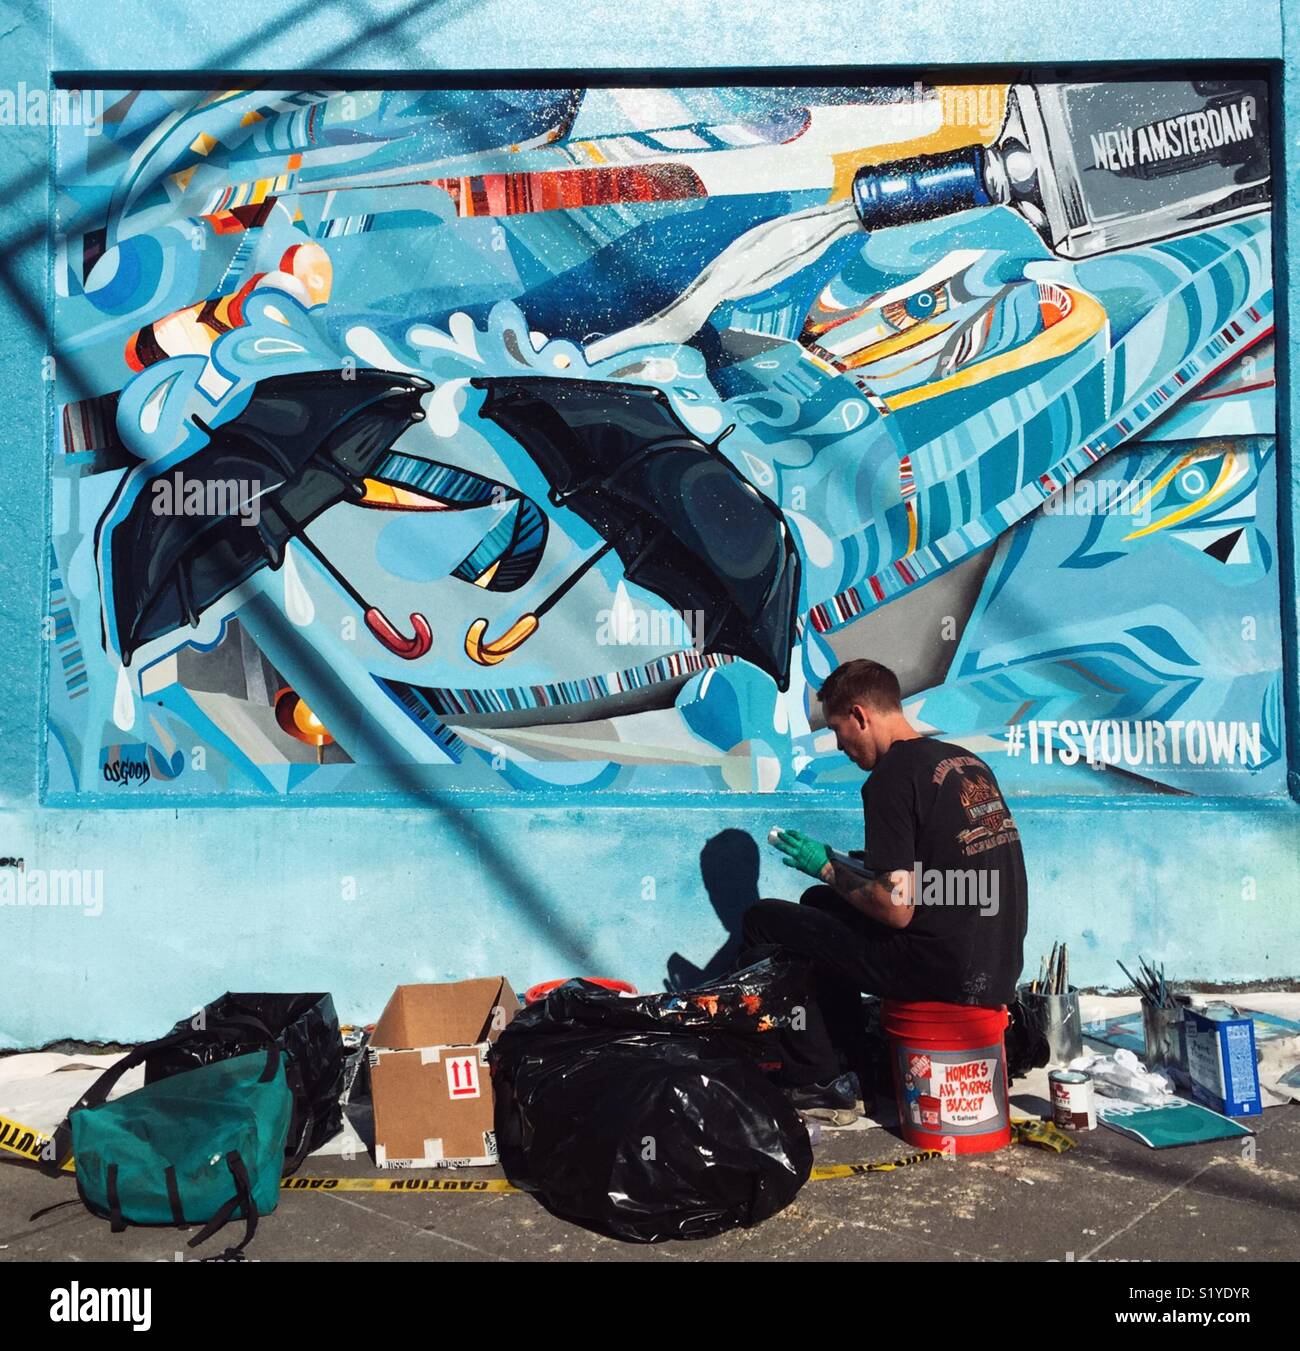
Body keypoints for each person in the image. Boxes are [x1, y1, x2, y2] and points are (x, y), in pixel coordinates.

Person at [741, 658, 1028, 1123]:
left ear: (860, 715)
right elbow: (937, 875)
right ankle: (848, 1057)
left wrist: (828, 870)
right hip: (993, 965)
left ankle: (817, 1077)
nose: (840, 746)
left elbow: (896, 908)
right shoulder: (965, 764)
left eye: (838, 731)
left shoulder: (891, 779)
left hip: (935, 970)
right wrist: (842, 864)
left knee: (763, 918)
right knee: (818, 907)